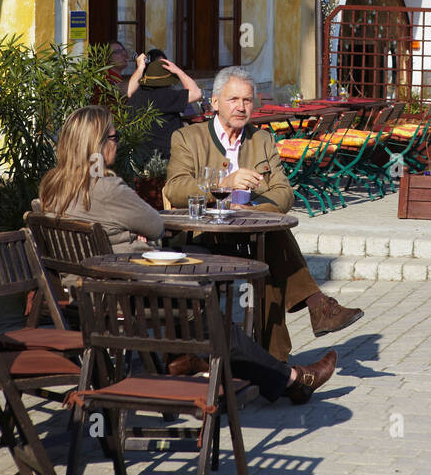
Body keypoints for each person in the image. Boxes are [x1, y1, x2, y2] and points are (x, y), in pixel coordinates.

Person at [36, 106, 336, 403]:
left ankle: (190, 359)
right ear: (98, 145)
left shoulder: (52, 187)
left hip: (82, 294)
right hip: (126, 293)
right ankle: (290, 379)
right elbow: (154, 224)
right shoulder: (106, 186)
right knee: (212, 318)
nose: (118, 142)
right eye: (115, 137)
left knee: (198, 255)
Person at [165, 66, 364, 362]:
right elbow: (175, 189)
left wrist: (252, 209)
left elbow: (284, 193)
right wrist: (222, 184)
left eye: (247, 100)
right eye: (233, 99)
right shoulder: (188, 137)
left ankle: (278, 363)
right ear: (215, 102)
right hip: (203, 236)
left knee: (269, 246)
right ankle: (306, 323)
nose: (241, 107)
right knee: (272, 250)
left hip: (245, 234)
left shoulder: (261, 140)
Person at [127, 49, 202, 166]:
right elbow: (196, 93)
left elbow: (130, 92)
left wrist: (140, 67)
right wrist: (178, 71)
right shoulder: (166, 96)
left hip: (142, 157)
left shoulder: (138, 96)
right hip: (167, 156)